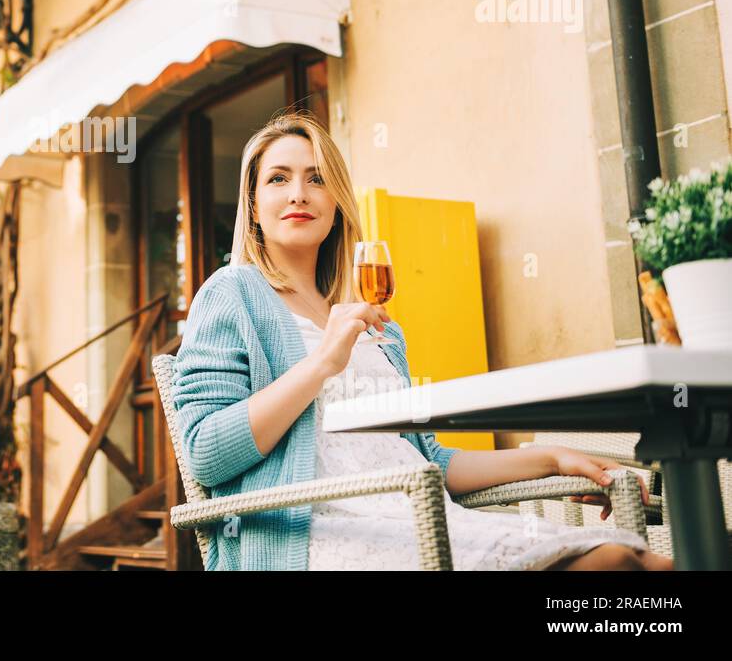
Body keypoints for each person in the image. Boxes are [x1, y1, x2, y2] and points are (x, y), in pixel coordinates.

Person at [171, 109, 672, 571]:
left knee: (646, 562)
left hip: (424, 522)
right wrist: (322, 362)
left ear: (336, 202)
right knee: (614, 566)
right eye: (278, 179)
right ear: (254, 206)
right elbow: (206, 454)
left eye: (317, 178)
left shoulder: (379, 330)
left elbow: (428, 460)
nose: (298, 193)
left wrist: (552, 457)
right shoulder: (231, 294)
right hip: (309, 537)